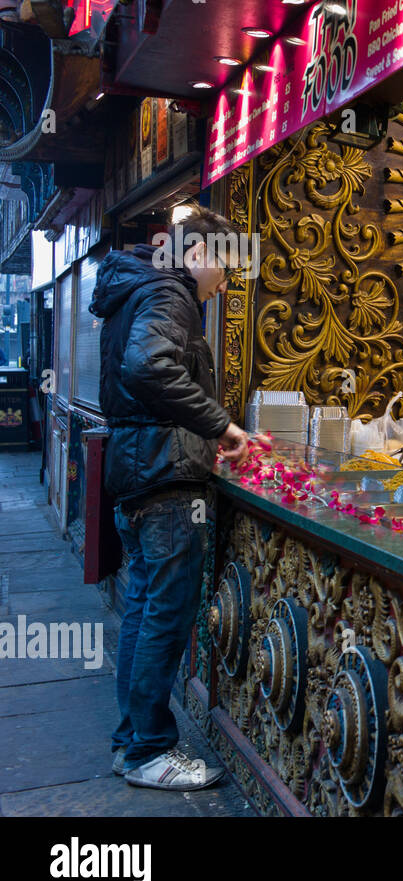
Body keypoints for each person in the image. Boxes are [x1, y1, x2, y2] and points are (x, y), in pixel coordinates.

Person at [90, 204, 250, 791]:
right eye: (225, 270)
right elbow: (147, 367)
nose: (225, 284)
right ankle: (151, 752)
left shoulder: (137, 286)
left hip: (137, 473)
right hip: (164, 474)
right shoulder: (172, 293)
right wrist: (220, 426)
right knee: (163, 615)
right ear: (199, 254)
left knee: (143, 611)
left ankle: (132, 743)